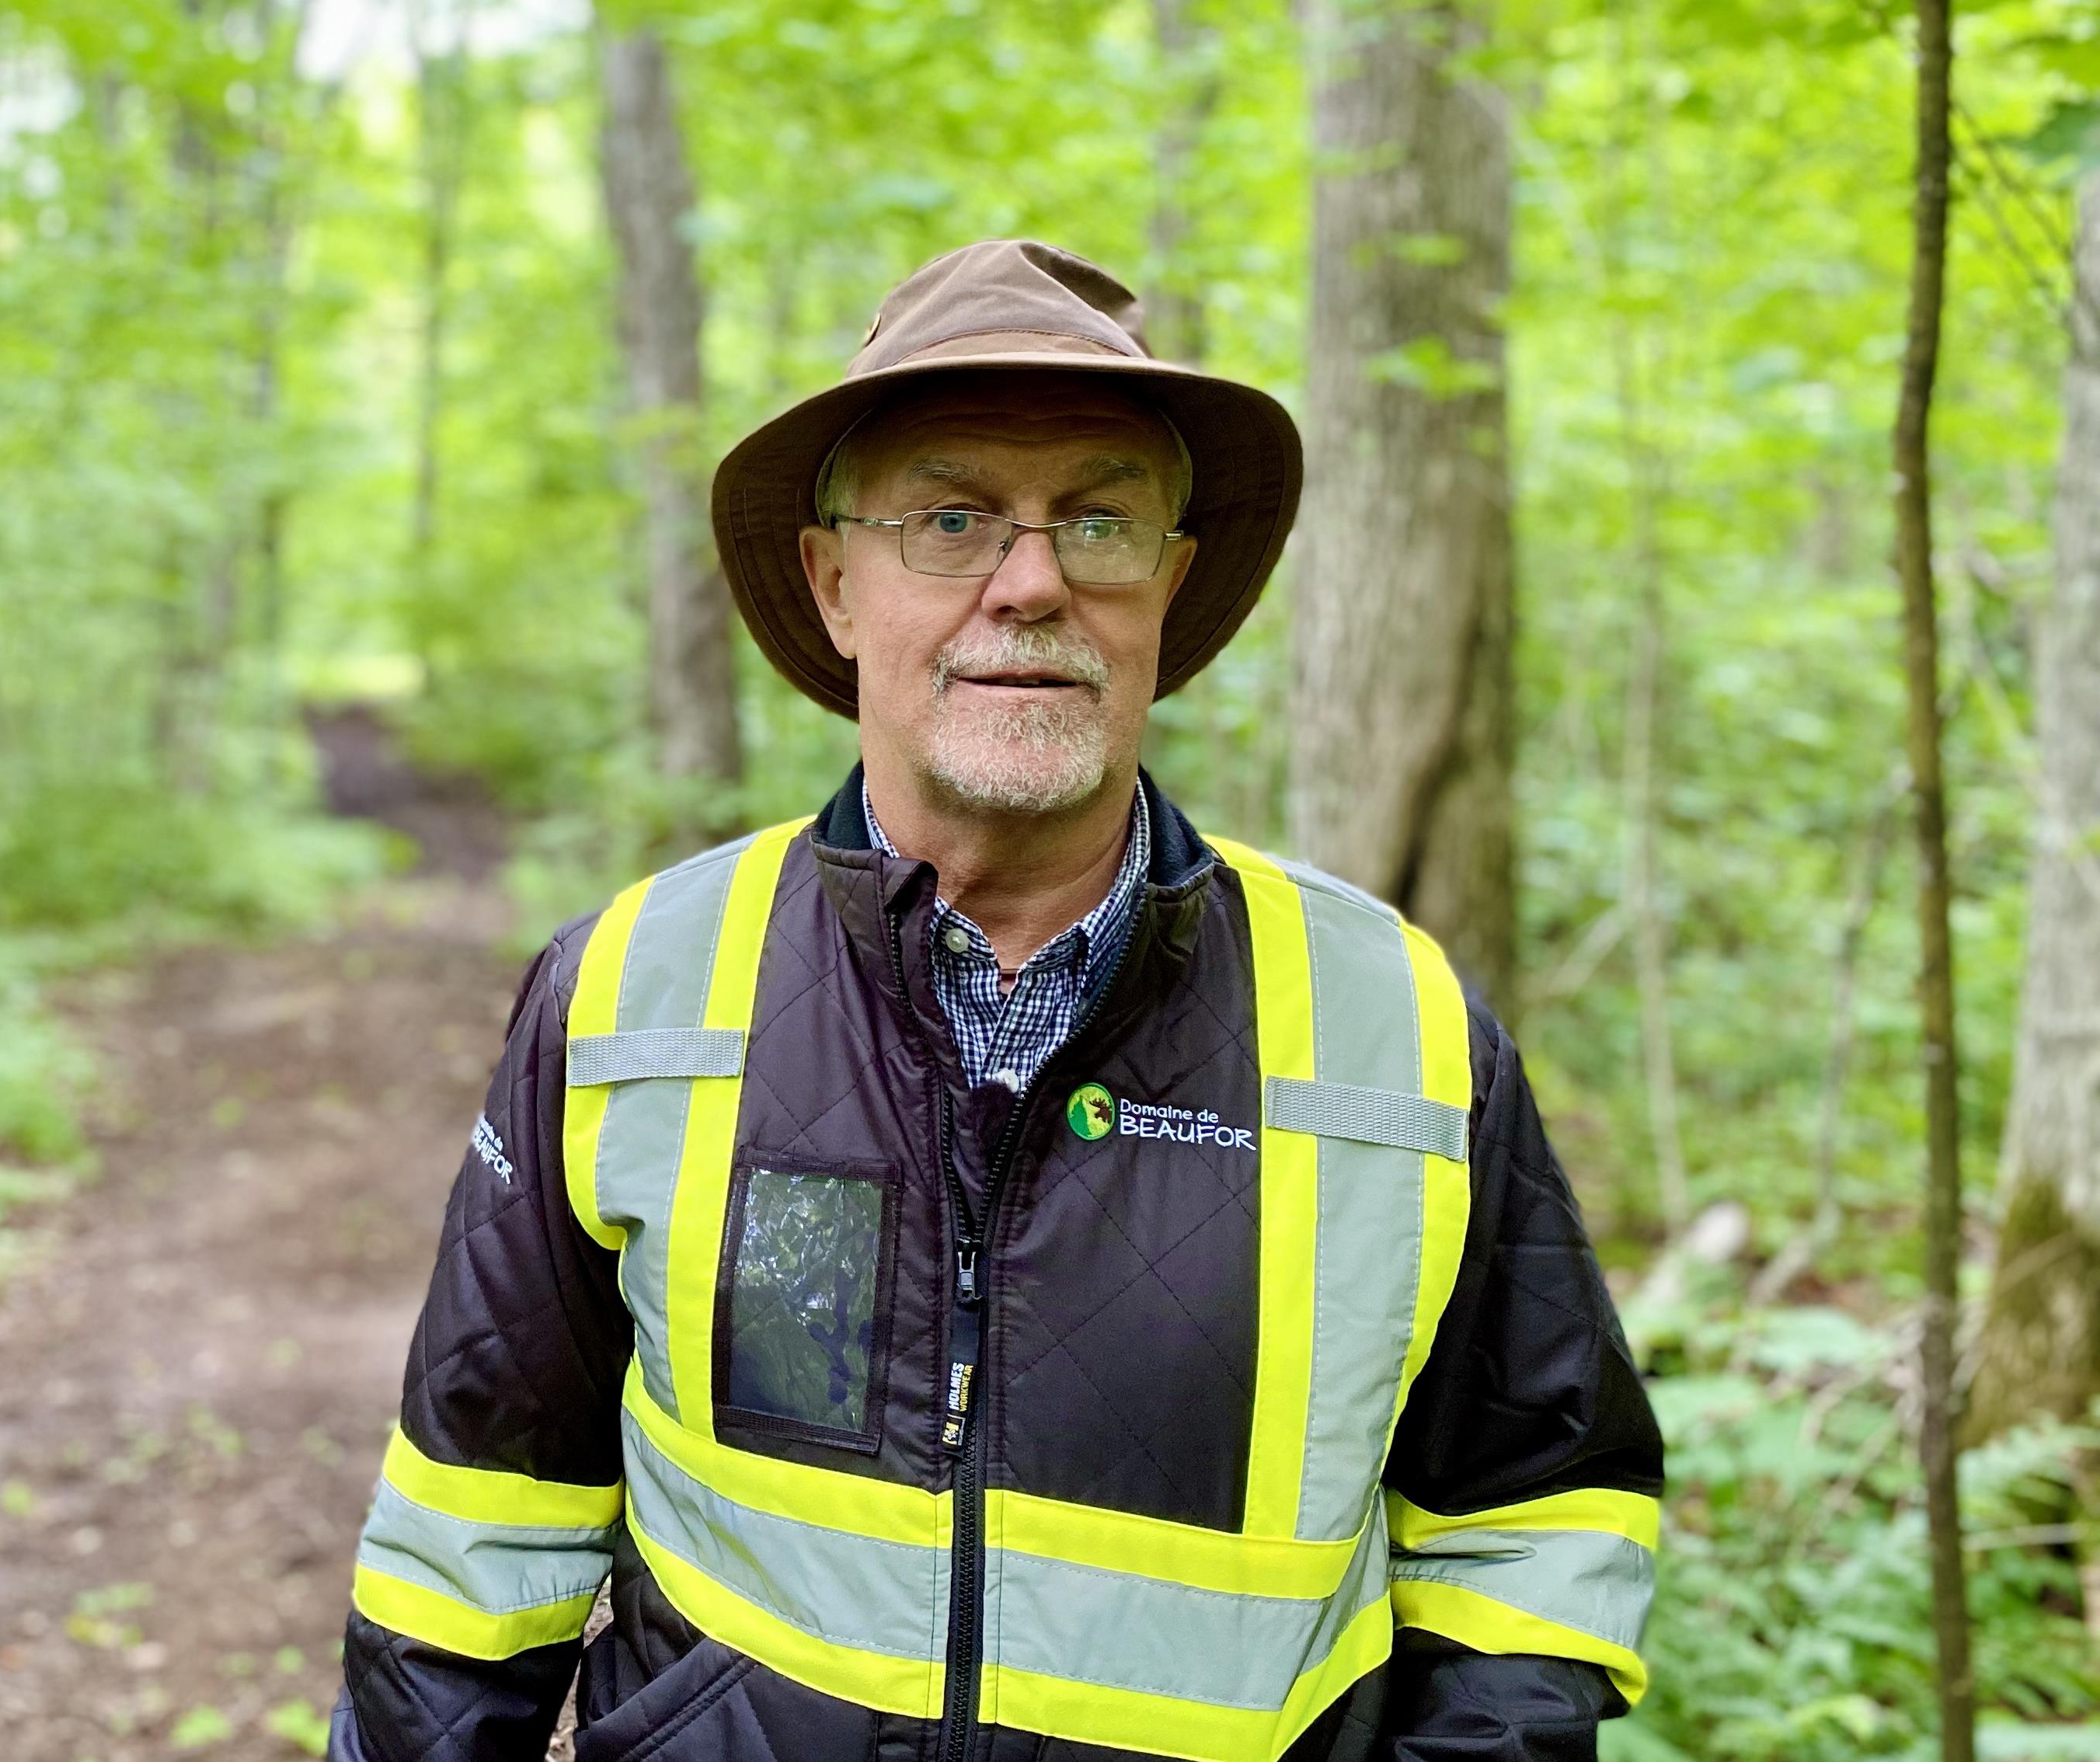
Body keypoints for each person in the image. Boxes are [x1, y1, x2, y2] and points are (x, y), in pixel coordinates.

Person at [330, 240, 1660, 1762]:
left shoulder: (1395, 1027)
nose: (1032, 583)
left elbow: (1531, 1533)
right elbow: (473, 1542)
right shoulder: (635, 987)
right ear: (835, 583)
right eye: (951, 519)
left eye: (1100, 521)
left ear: (1169, 581)